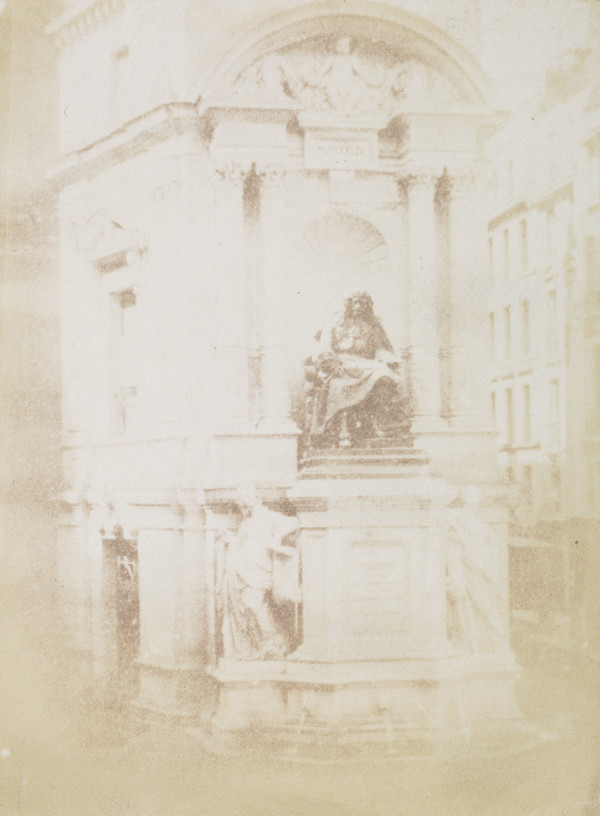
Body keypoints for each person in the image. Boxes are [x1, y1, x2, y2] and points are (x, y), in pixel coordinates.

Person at [304, 291, 411, 444]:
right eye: (355, 303)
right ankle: (341, 430)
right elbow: (325, 347)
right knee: (337, 385)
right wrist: (332, 363)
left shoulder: (372, 325)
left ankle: (378, 425)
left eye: (362, 303)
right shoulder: (335, 321)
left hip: (366, 364)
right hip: (341, 362)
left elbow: (381, 348)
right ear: (348, 305)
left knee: (385, 378)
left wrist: (387, 359)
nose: (358, 307)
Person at [220, 487, 300, 661]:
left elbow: (293, 522)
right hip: (242, 571)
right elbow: (239, 545)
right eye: (242, 498)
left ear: (257, 498)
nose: (244, 500)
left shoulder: (268, 516)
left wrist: (277, 536)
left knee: (253, 604)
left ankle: (276, 641)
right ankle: (260, 645)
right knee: (246, 608)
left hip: (260, 569)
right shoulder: (245, 523)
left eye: (247, 496)